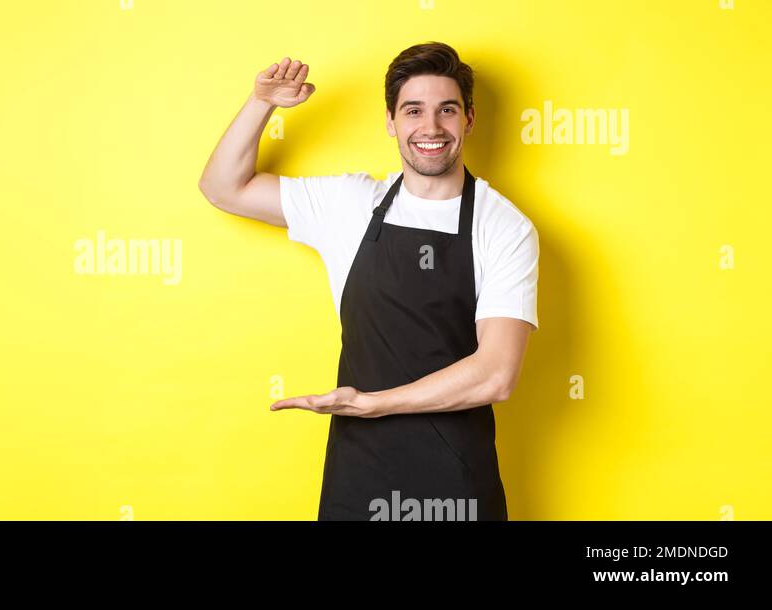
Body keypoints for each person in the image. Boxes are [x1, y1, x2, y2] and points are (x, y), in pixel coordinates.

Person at [197, 42, 538, 521]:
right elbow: (223, 188)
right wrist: (262, 102)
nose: (431, 127)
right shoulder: (349, 204)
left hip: (455, 484)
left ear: (469, 120)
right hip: (359, 476)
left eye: (447, 110)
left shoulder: (503, 226)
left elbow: (497, 373)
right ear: (391, 122)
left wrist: (375, 403)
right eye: (413, 110)